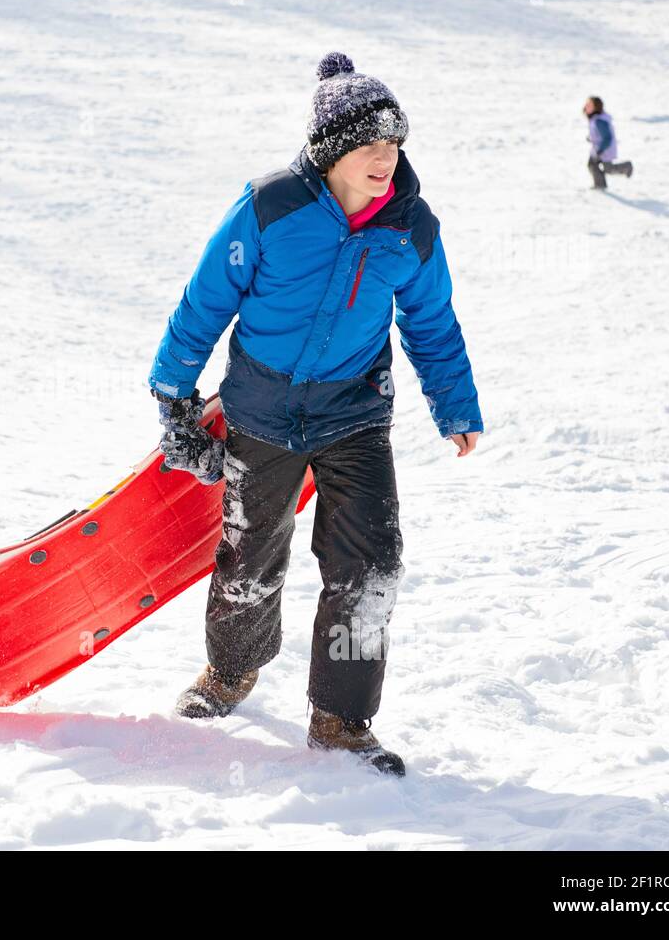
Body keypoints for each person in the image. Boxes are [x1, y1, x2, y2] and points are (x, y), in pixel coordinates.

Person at [148, 52, 484, 777]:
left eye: (394, 145)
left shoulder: (411, 227)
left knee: (372, 565)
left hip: (354, 413)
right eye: (369, 145)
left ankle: (341, 720)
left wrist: (455, 404)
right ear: (332, 152)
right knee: (251, 551)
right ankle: (232, 671)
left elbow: (431, 321)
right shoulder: (272, 207)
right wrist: (173, 392)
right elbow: (207, 299)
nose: (384, 159)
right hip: (262, 409)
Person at [584, 96, 633, 190]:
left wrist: (601, 150)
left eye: (589, 105)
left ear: (596, 107)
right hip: (598, 147)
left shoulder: (599, 121)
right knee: (592, 164)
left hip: (605, 148)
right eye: (586, 104)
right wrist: (591, 138)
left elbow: (607, 137)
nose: (586, 107)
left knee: (608, 169)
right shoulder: (594, 118)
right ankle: (600, 184)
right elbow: (597, 133)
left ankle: (627, 167)